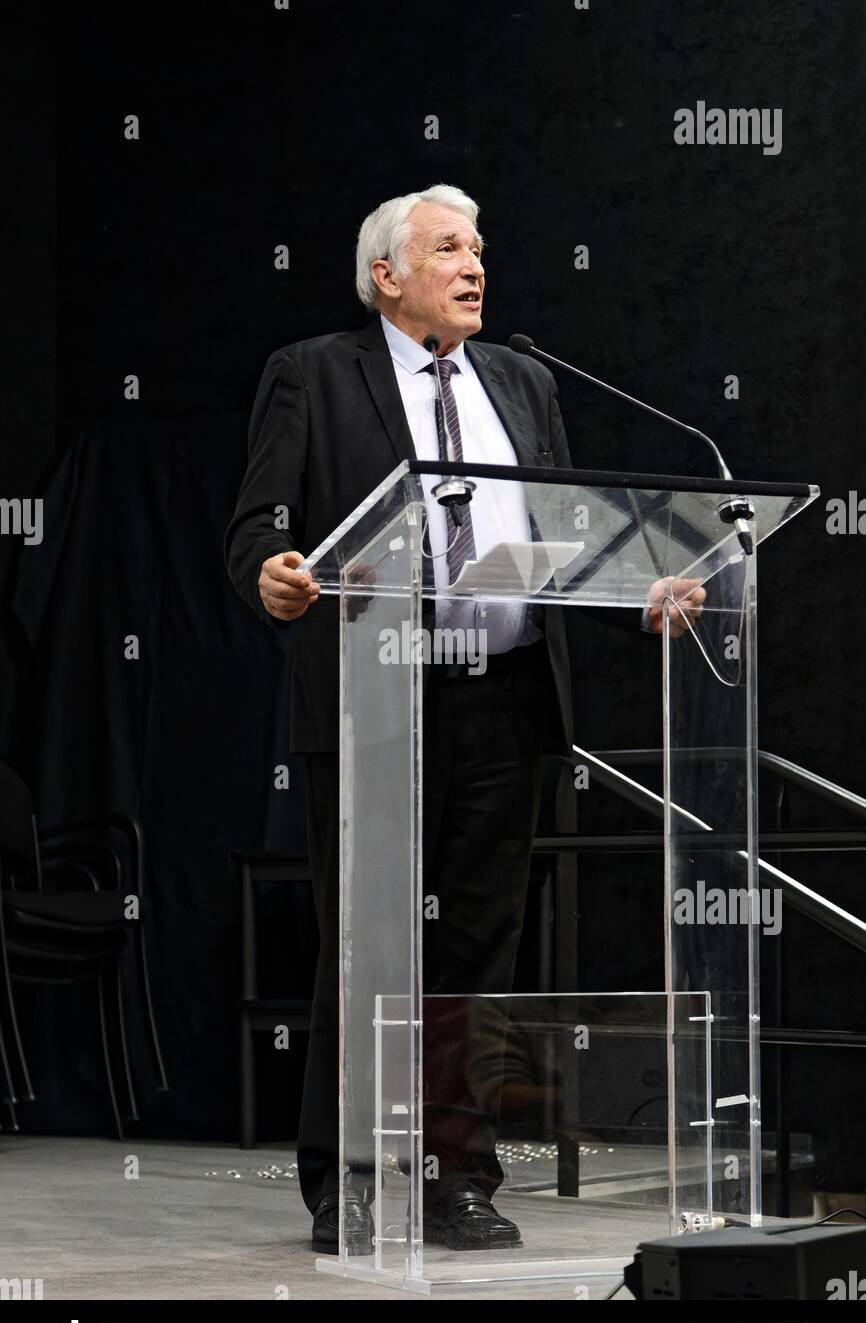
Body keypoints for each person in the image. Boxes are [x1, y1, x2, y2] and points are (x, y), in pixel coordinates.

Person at [225, 184, 703, 1254]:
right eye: (448, 248)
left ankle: (456, 1180)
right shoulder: (313, 374)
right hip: (375, 697)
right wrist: (271, 570)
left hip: (503, 698)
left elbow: (565, 530)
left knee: (475, 951)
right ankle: (346, 1180)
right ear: (384, 276)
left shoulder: (524, 379)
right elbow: (259, 519)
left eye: (479, 246)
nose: (474, 264)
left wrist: (641, 588)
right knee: (364, 949)